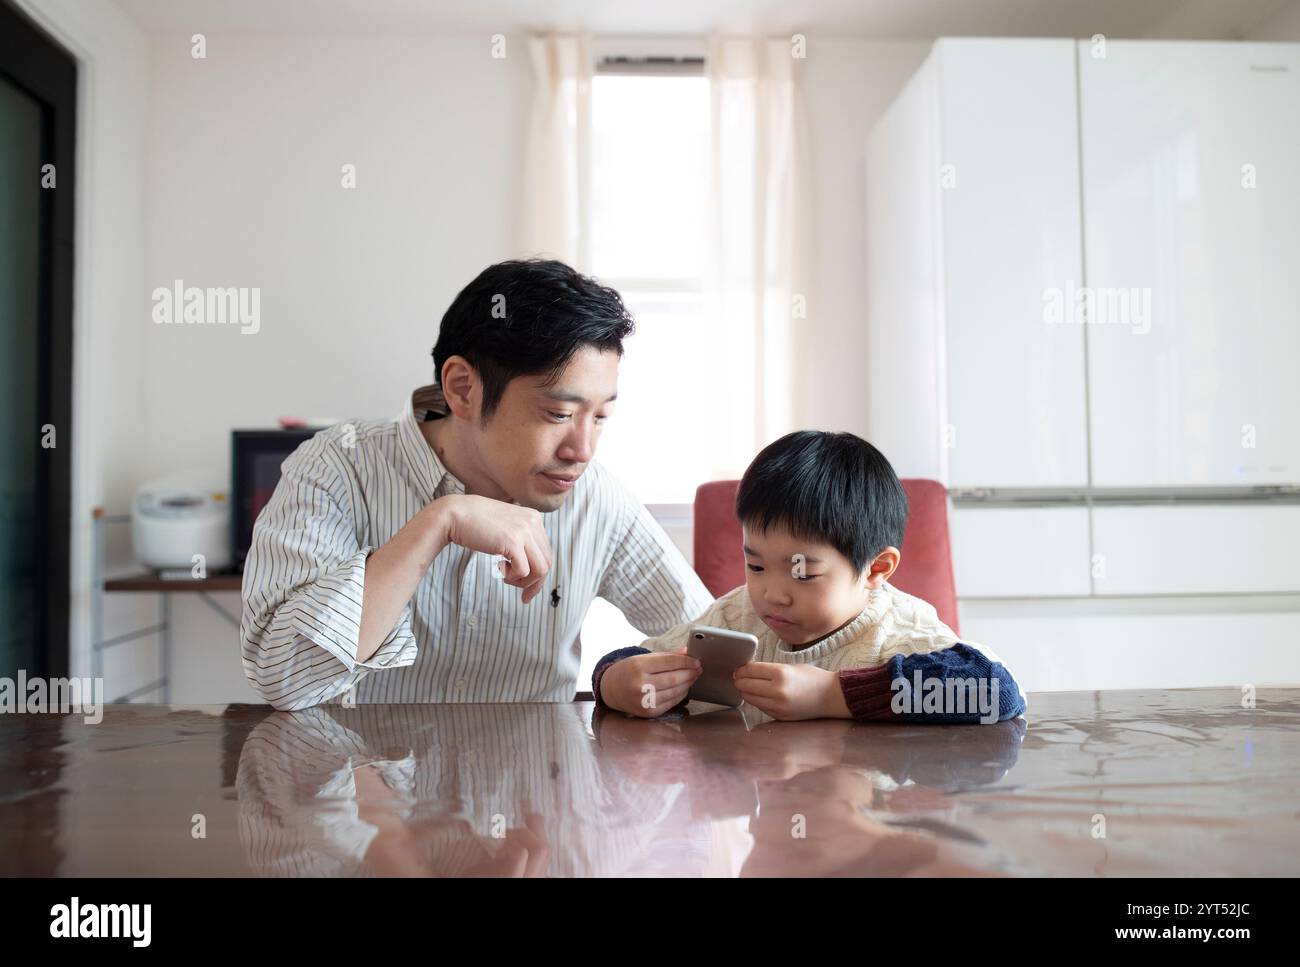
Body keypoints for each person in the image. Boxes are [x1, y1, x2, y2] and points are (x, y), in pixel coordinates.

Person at [240, 259, 712, 710]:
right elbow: (283, 678)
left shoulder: (596, 499)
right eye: (559, 414)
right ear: (463, 388)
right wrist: (439, 522)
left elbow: (711, 643)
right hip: (371, 783)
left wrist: (613, 676)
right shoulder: (338, 468)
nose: (582, 450)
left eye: (601, 417)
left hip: (533, 787)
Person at [593, 430, 1027, 724]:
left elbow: (996, 693)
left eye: (802, 572)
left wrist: (832, 696)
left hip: (859, 834)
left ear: (876, 569)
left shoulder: (899, 630)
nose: (771, 594)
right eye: (756, 565)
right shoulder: (738, 614)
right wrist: (615, 682)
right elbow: (639, 657)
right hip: (769, 835)